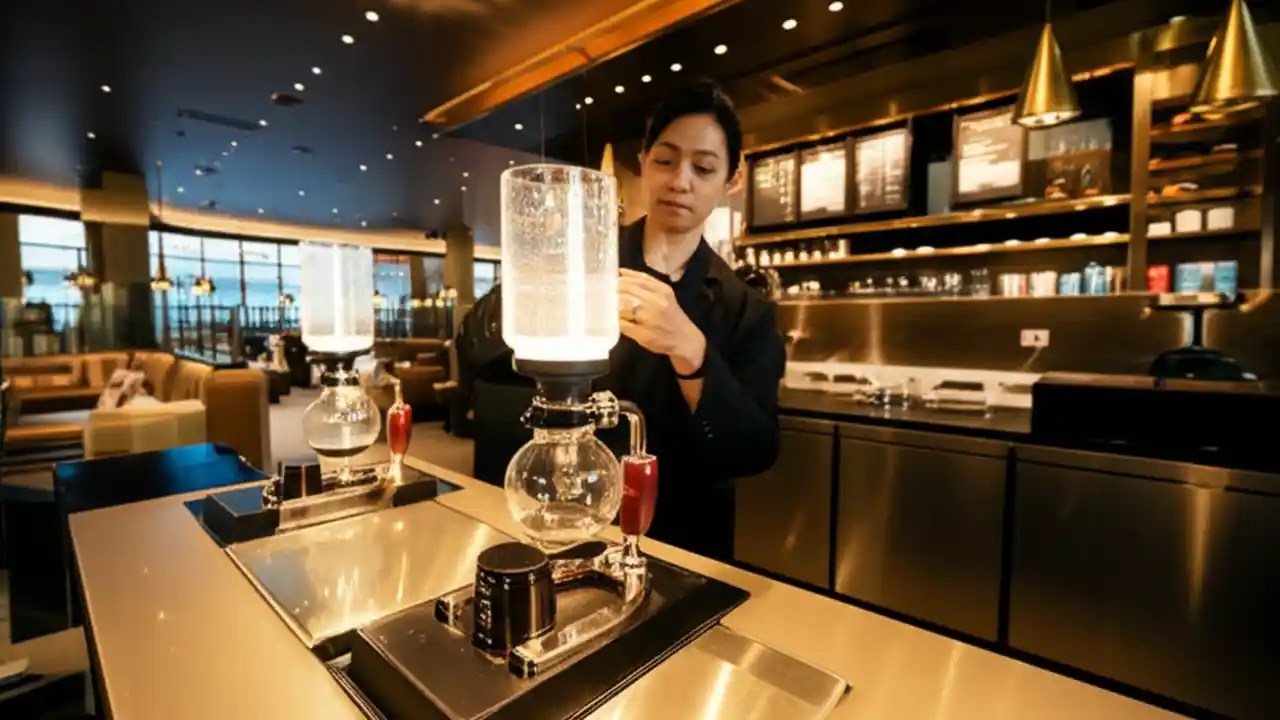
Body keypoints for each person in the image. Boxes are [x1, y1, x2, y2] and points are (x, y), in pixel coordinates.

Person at [597, 80, 785, 561]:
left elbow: (755, 450)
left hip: (685, 540)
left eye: (703, 168)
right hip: (574, 516)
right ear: (642, 162)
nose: (681, 181)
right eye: (665, 159)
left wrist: (691, 351)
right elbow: (480, 347)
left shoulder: (747, 309)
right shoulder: (586, 259)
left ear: (731, 181)